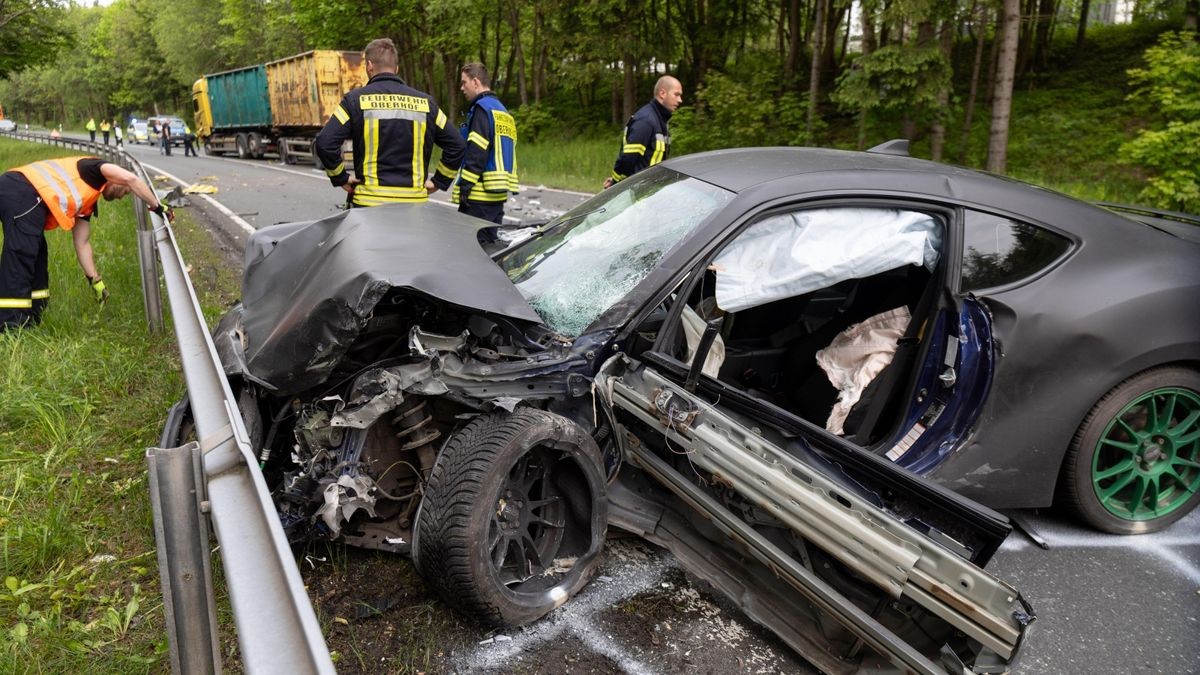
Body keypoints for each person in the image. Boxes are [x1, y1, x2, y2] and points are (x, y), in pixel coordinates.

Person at [0, 156, 173, 332]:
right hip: (21, 191)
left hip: (25, 196)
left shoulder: (88, 200)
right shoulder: (94, 168)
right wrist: (157, 207)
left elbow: (82, 243)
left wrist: (95, 281)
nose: (122, 197)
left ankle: (34, 317)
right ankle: (11, 327)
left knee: (37, 256)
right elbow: (132, 179)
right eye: (127, 191)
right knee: (21, 257)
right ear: (118, 178)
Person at [315, 38, 465, 207]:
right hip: (414, 207)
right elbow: (457, 144)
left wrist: (341, 177)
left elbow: (324, 142)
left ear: (369, 66)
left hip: (369, 204)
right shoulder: (426, 104)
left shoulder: (355, 101)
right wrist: (439, 181)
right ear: (397, 69)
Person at [453, 63, 518, 244]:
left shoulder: (482, 108)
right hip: (497, 197)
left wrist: (465, 186)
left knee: (470, 253)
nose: (461, 88)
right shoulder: (503, 112)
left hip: (478, 197)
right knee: (490, 251)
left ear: (475, 82)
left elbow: (477, 150)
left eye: (464, 82)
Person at [603, 75, 683, 189]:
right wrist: (615, 184)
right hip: (638, 192)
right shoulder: (646, 120)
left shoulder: (660, 120)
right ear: (662, 93)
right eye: (676, 94)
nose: (680, 100)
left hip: (650, 190)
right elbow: (629, 158)